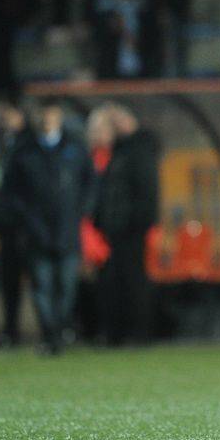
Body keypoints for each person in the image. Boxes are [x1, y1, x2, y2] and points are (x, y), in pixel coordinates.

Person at [1, 99, 92, 354]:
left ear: (59, 117)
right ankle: (51, 334)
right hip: (35, 232)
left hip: (67, 229)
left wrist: (82, 211)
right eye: (42, 115)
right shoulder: (23, 151)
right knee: (41, 285)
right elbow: (11, 191)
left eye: (50, 115)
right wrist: (25, 218)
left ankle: (60, 329)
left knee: (66, 286)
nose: (46, 120)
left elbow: (89, 183)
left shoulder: (74, 148)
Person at [91, 103, 158, 346]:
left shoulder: (137, 151)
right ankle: (117, 333)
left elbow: (145, 193)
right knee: (116, 281)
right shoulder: (122, 151)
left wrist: (138, 223)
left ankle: (137, 333)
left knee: (132, 280)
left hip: (130, 229)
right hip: (114, 228)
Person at [0, 95, 28, 346]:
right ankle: (11, 329)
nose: (0, 118)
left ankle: (55, 328)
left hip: (31, 223)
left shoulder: (31, 143)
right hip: (6, 222)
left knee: (41, 278)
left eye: (4, 112)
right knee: (8, 279)